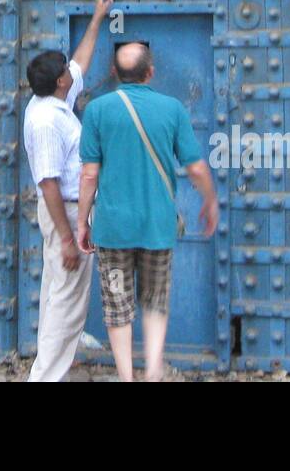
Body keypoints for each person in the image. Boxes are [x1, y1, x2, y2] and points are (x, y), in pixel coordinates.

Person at [76, 40, 218, 382]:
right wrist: (210, 201)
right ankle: (153, 367)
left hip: (112, 227)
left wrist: (82, 221)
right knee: (155, 299)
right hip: (158, 224)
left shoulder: (97, 110)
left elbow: (89, 173)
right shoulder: (172, 109)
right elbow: (196, 168)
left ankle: (127, 376)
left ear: (114, 73)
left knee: (117, 306)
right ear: (151, 73)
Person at [22, 0, 113, 381]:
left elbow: (80, 60)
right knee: (67, 303)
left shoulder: (52, 102)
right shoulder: (46, 122)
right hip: (66, 213)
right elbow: (48, 184)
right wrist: (67, 237)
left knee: (55, 293)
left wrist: (96, 17)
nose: (69, 71)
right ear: (59, 82)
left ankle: (44, 373)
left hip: (69, 213)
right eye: (64, 71)